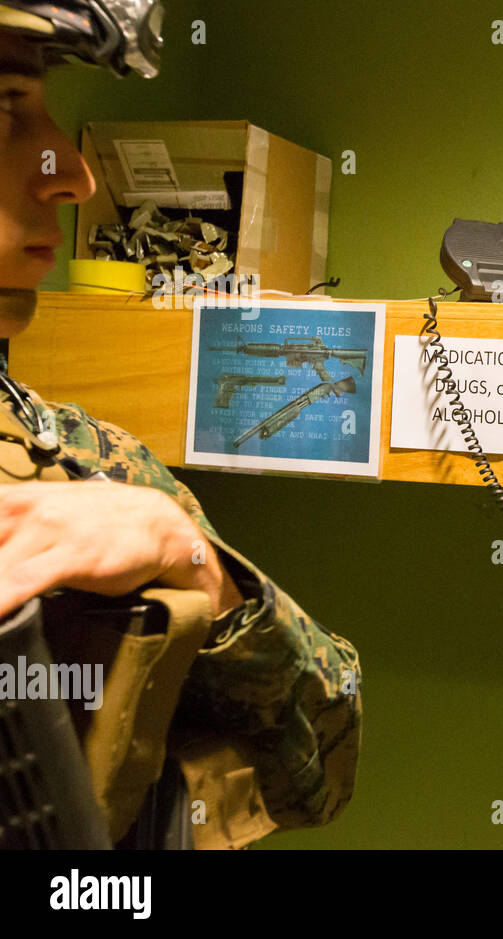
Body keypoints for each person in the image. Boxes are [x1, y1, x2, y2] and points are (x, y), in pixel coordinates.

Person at [0, 1, 360, 848]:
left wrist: (195, 567)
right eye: (5, 106)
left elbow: (327, 763)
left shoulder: (82, 468)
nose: (75, 175)